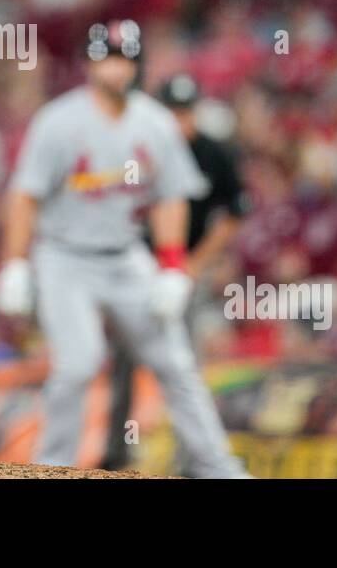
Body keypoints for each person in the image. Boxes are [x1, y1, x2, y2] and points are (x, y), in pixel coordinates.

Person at [0, 21, 246, 477]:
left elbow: (170, 197)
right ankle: (52, 467)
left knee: (176, 363)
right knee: (77, 365)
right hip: (64, 256)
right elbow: (24, 195)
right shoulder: (60, 120)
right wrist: (13, 264)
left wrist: (171, 267)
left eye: (124, 59)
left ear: (137, 64)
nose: (115, 69)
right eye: (107, 58)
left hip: (126, 255)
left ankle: (219, 469)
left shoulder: (155, 123)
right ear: (90, 63)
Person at [99, 72, 248, 471]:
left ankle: (192, 462)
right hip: (137, 269)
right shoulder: (138, 150)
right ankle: (115, 455)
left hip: (184, 272)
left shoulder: (212, 154)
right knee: (125, 361)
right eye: (172, 112)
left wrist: (196, 263)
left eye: (185, 112)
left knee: (186, 367)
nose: (179, 121)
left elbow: (235, 212)